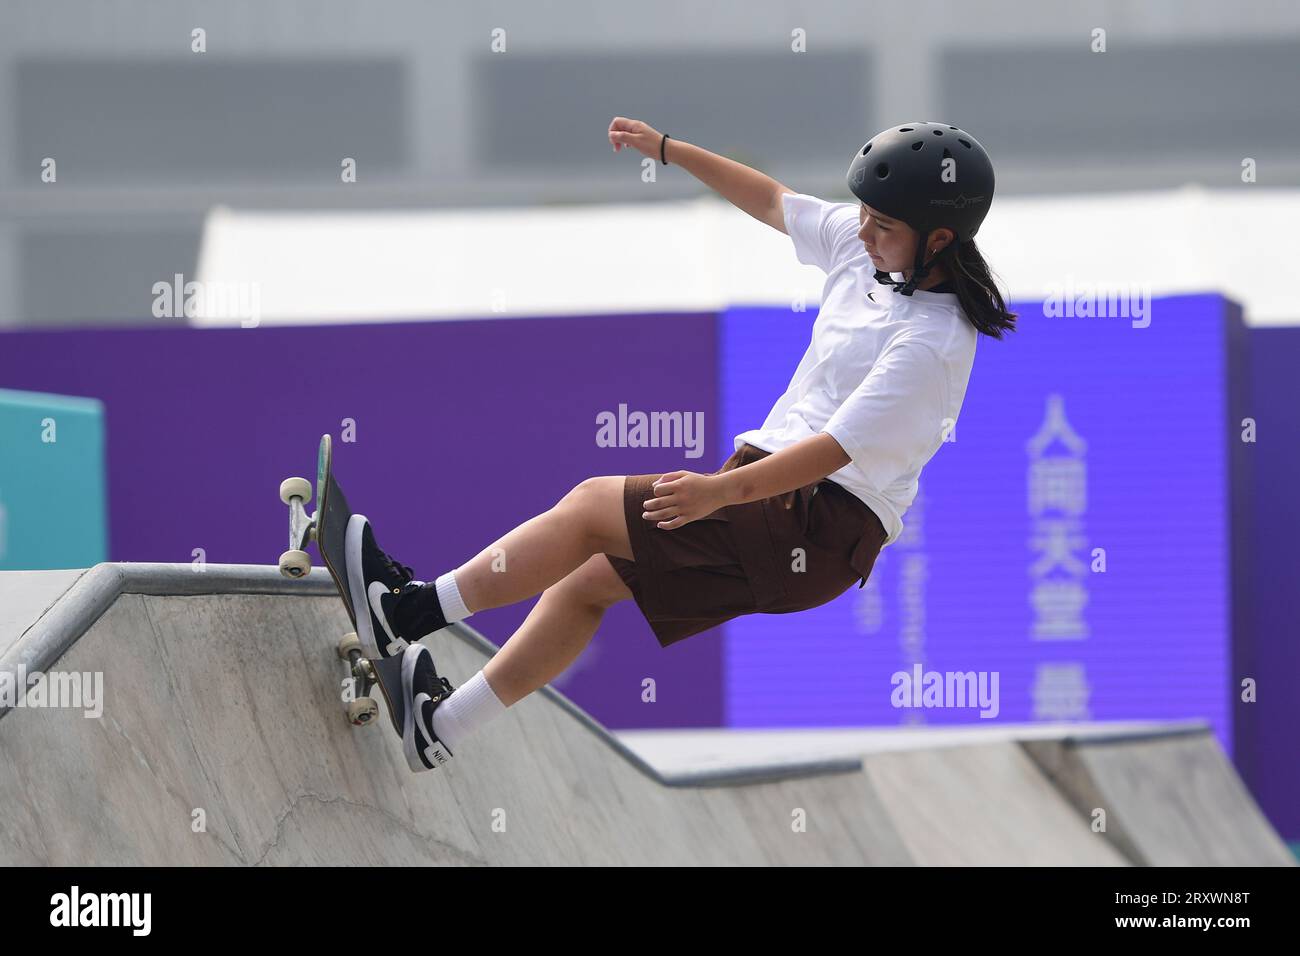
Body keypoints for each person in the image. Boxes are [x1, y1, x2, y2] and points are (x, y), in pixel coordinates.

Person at [350, 118, 1017, 773]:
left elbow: (832, 450)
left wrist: (717, 491)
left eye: (884, 227)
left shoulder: (933, 342)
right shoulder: (864, 243)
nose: (864, 231)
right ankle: (439, 728)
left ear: (938, 239)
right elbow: (772, 200)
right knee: (586, 586)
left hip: (814, 521)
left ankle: (407, 612)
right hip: (775, 498)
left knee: (587, 509)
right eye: (864, 215)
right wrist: (670, 150)